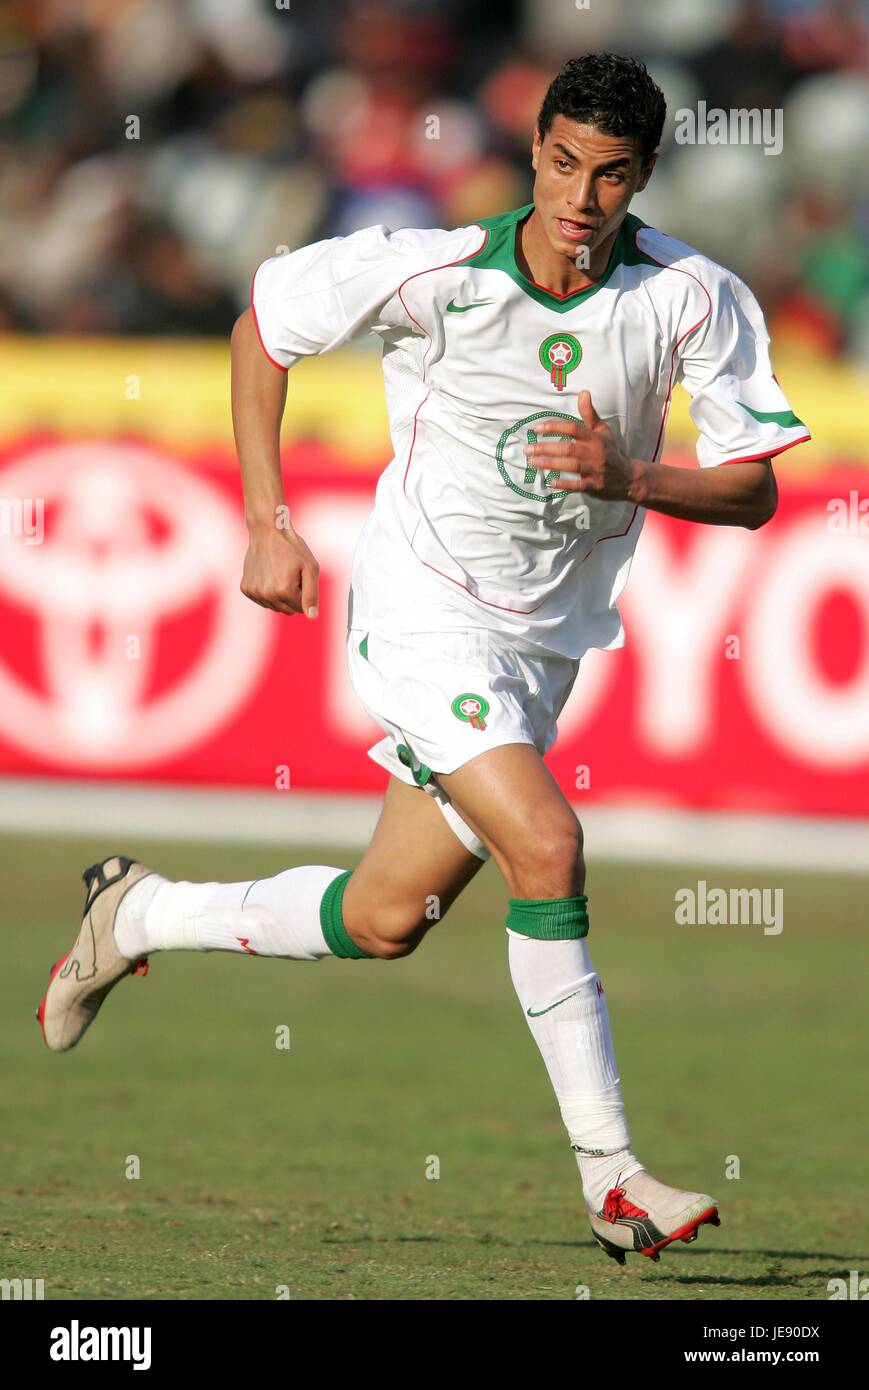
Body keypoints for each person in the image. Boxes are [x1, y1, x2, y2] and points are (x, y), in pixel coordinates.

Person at [38, 54, 809, 1265]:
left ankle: (138, 912)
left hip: (541, 646)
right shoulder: (435, 270)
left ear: (644, 175)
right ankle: (610, 1177)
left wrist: (629, 476)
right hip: (420, 612)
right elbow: (262, 329)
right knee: (546, 845)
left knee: (385, 916)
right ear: (533, 152)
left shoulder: (692, 298)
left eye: (610, 175)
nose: (580, 198)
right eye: (562, 163)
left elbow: (753, 491)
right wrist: (265, 521)